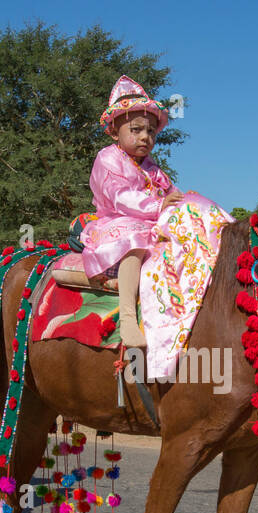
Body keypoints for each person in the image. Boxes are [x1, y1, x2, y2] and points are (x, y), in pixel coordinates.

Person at [79, 76, 184, 347]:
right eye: (136, 130)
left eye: (150, 132)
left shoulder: (151, 167)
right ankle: (127, 319)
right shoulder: (108, 158)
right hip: (116, 222)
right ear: (115, 132)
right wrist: (159, 205)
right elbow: (120, 197)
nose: (145, 137)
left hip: (149, 221)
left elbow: (171, 192)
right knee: (135, 241)